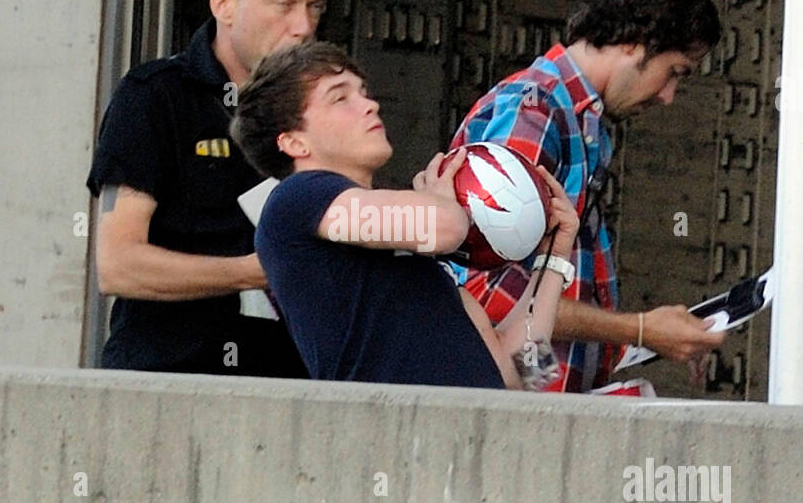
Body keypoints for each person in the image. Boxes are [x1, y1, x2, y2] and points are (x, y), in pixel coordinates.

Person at [447, 0, 727, 393]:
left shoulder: (576, 121)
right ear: (637, 40)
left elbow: (526, 307)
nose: (669, 97)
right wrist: (638, 330)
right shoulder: (535, 113)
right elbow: (491, 293)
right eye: (674, 73)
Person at [230, 41, 579, 390]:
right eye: (340, 97)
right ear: (294, 143)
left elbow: (523, 374)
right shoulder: (294, 199)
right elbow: (447, 228)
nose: (370, 105)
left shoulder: (419, 262)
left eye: (364, 92)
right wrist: (441, 202)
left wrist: (553, 260)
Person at [85, 0, 343, 375]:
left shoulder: (327, 108)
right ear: (224, 4)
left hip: (294, 392)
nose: (304, 26)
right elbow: (117, 263)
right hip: (168, 385)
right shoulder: (155, 96)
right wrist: (255, 270)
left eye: (315, 7)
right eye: (284, 3)